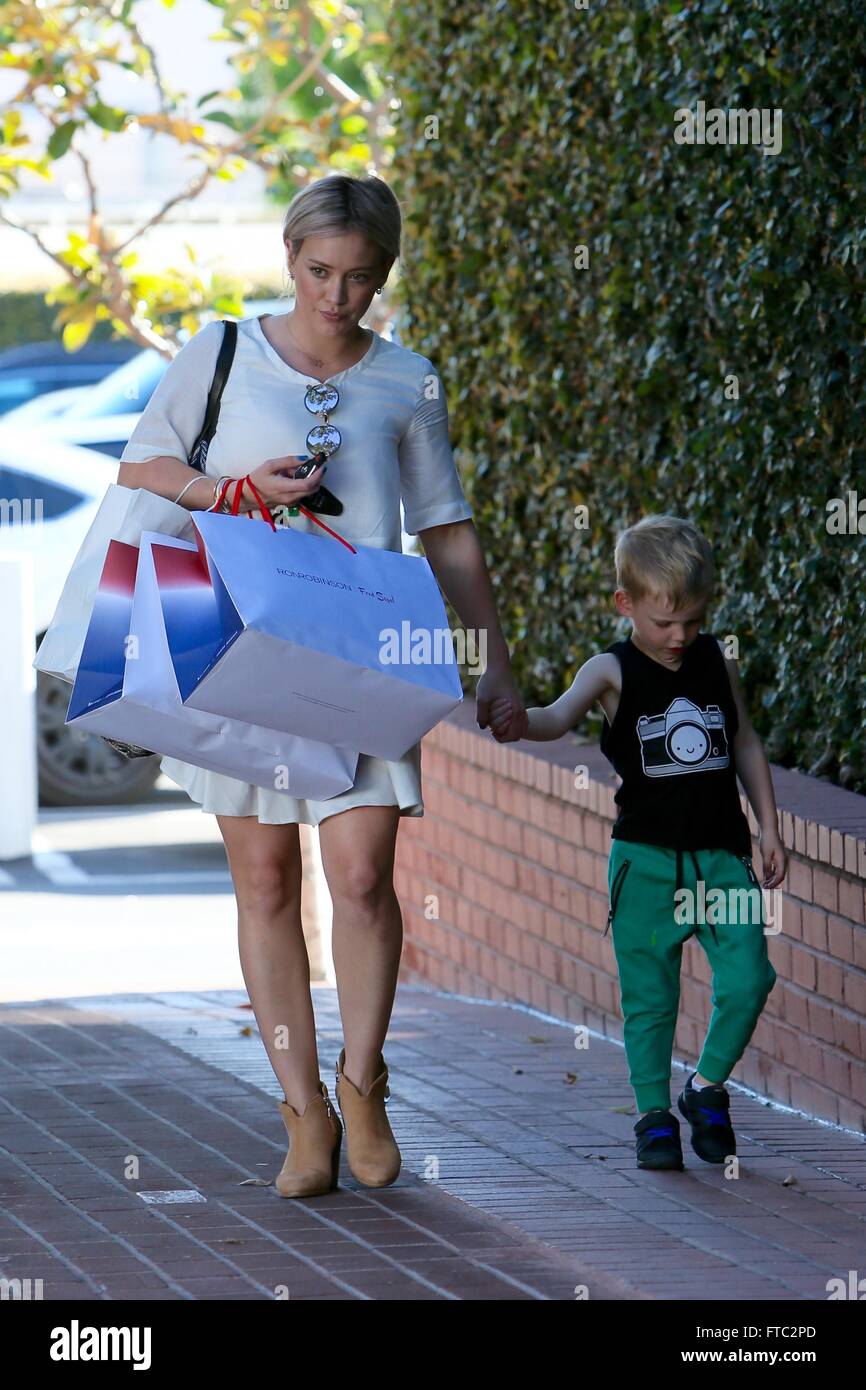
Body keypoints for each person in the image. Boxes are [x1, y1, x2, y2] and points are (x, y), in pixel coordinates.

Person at [117, 173, 527, 1197]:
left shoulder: (407, 379)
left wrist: (492, 659)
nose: (336, 297)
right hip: (240, 640)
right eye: (317, 272)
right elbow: (142, 466)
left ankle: (361, 1083)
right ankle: (300, 1110)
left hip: (365, 643)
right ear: (288, 256)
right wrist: (232, 492)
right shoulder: (217, 352)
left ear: (383, 274)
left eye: (358, 278)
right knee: (263, 882)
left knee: (358, 879)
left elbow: (446, 528)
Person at [506, 514, 786, 1171]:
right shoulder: (612, 669)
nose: (680, 637)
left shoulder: (715, 658)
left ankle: (706, 1088)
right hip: (645, 863)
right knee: (651, 998)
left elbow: (742, 738)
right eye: (666, 623)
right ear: (625, 604)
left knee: (750, 977)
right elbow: (556, 716)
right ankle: (653, 1116)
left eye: (693, 619)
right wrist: (519, 719)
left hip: (723, 857)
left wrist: (769, 825)